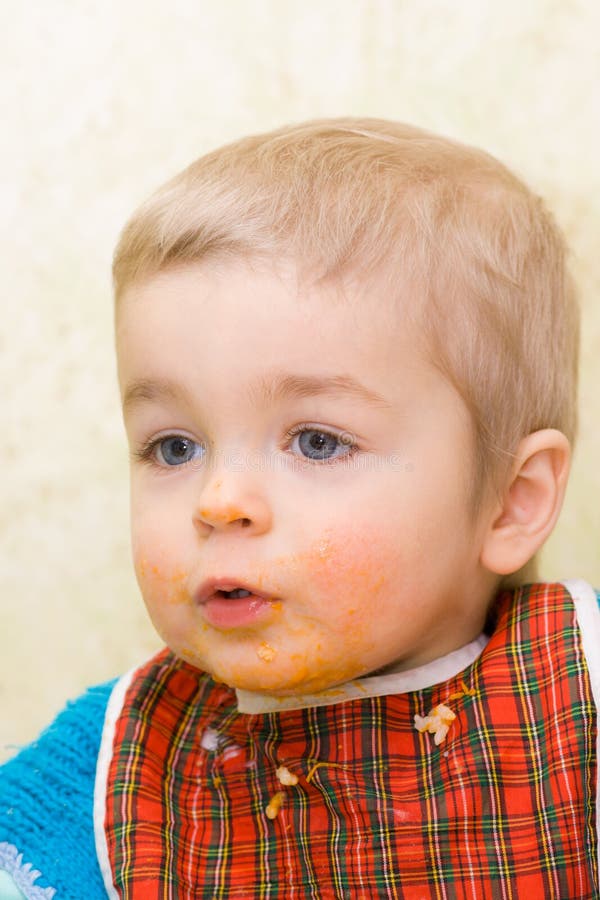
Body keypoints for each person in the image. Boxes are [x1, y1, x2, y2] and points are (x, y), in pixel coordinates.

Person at [1, 117, 598, 899]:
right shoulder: (109, 769)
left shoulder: (578, 697)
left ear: (510, 504)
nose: (219, 502)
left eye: (317, 442)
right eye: (175, 447)